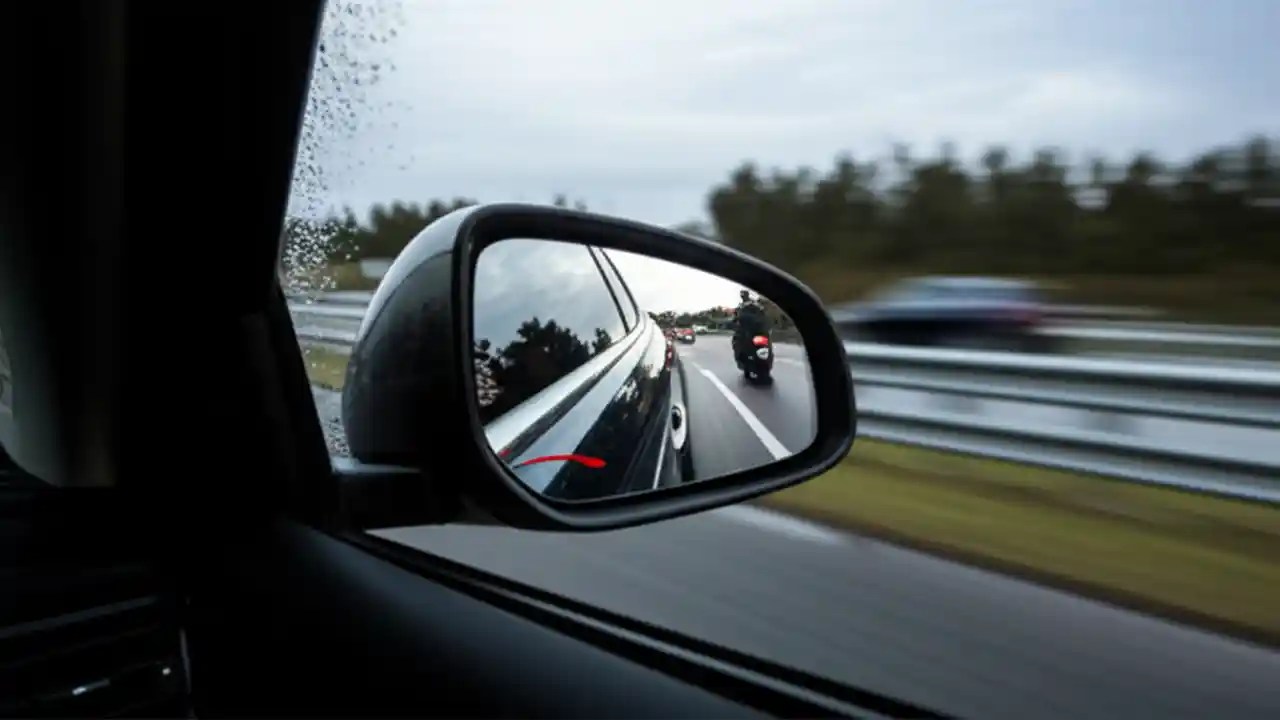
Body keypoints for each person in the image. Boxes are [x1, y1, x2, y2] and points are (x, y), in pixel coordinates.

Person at [732, 289, 768, 362]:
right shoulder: (741, 306)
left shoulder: (752, 304)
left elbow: (762, 313)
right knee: (736, 341)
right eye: (742, 295)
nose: (743, 297)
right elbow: (735, 317)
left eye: (743, 295)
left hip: (754, 329)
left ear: (747, 295)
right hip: (750, 329)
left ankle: (767, 355)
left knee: (765, 339)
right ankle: (740, 357)